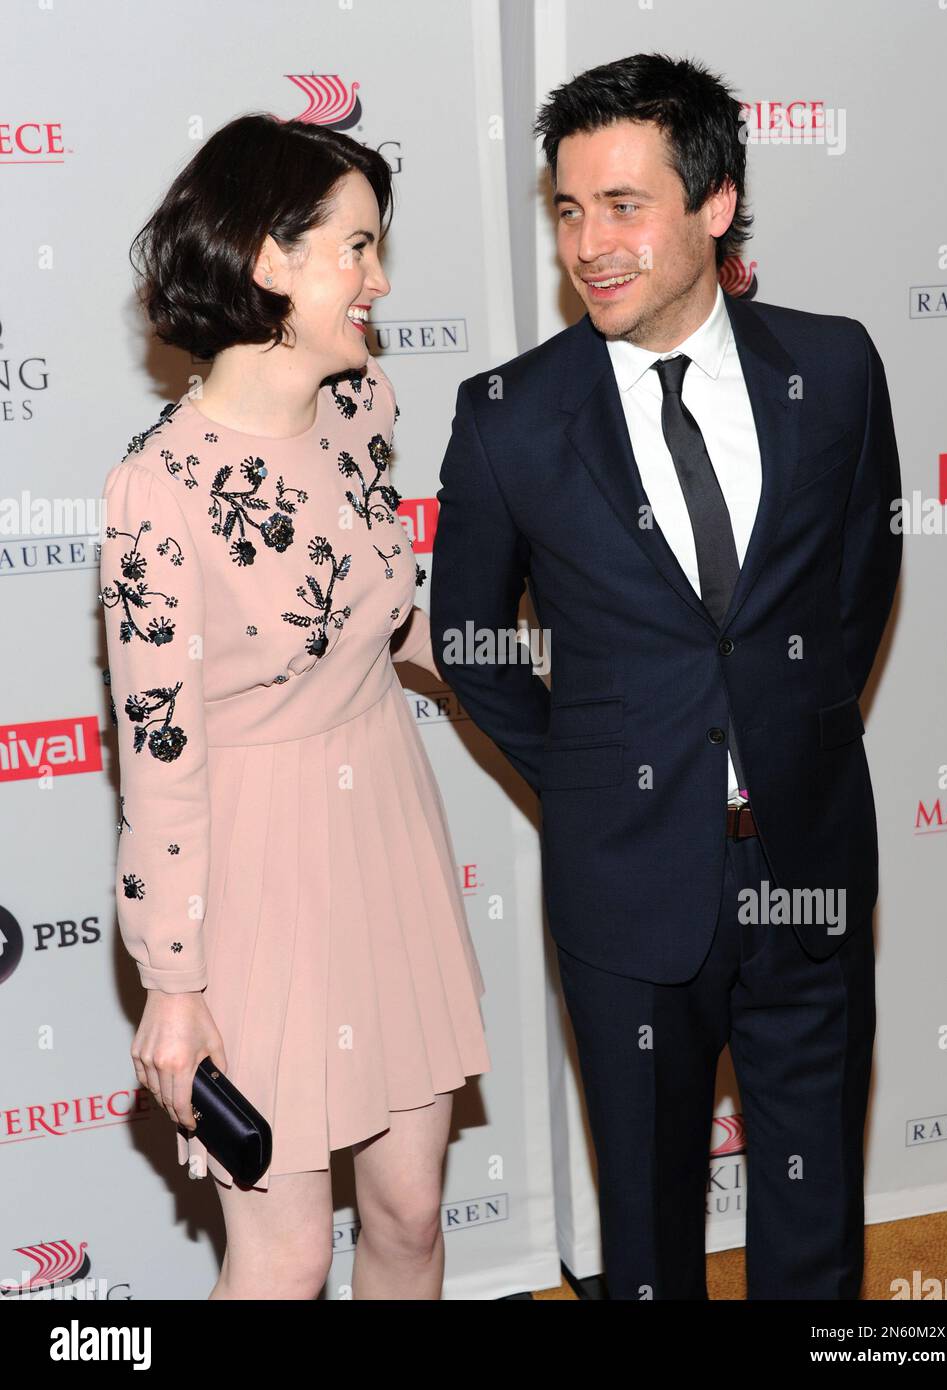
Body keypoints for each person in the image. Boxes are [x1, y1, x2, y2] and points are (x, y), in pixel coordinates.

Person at [430, 53, 902, 1299]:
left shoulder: (835, 370)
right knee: (645, 1235)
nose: (590, 244)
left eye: (624, 206)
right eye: (569, 209)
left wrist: (782, 730)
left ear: (714, 204)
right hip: (626, 882)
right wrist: (589, 777)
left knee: (815, 1216)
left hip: (806, 860)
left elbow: (857, 584)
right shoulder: (508, 419)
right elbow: (469, 643)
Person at [99, 112, 490, 1301]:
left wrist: (534, 668)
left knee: (412, 1213)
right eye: (356, 248)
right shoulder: (152, 494)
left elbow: (387, 612)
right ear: (269, 259)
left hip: (385, 825)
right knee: (278, 1262)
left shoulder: (363, 407)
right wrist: (174, 984)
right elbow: (158, 759)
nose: (378, 281)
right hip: (253, 879)